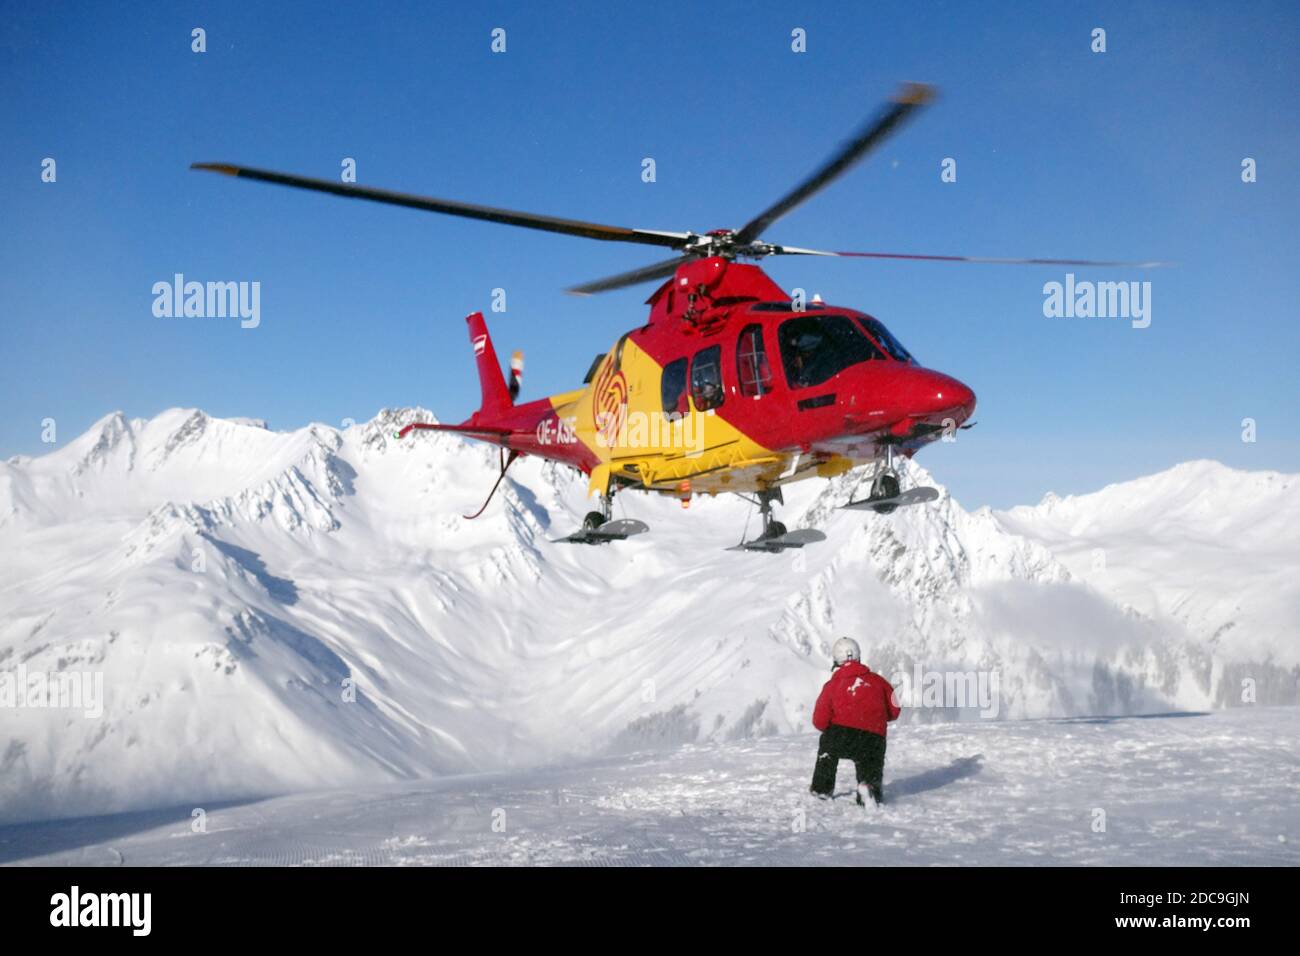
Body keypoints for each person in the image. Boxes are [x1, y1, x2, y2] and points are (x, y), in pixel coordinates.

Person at [809, 637, 900, 805]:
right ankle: (869, 789)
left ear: (836, 661)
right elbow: (895, 710)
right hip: (874, 737)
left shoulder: (831, 686)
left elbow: (819, 721)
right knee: (870, 761)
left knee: (828, 748)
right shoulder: (880, 682)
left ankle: (822, 789)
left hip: (841, 736)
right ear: (859, 657)